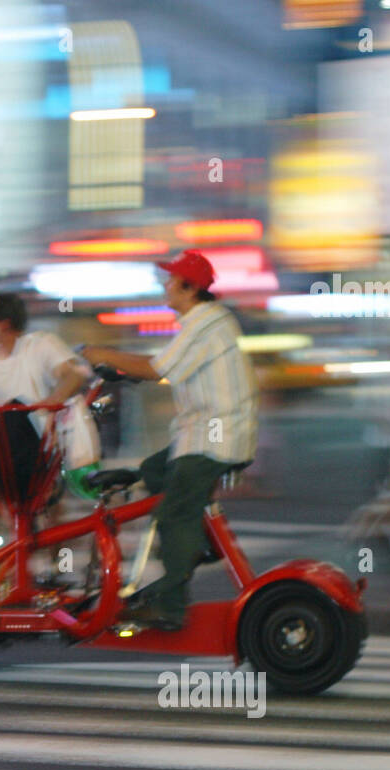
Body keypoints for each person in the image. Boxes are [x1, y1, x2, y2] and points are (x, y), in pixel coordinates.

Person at [82, 249, 258, 630]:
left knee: (173, 512)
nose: (165, 285)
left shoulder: (205, 324)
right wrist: (120, 368)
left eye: (171, 280)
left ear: (190, 288)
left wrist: (97, 352)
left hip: (215, 438)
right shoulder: (204, 323)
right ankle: (197, 541)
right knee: (150, 471)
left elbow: (155, 367)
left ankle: (171, 605)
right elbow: (162, 368)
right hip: (202, 435)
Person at [0, 292, 90, 538]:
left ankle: (51, 557)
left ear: (4, 323)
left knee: (42, 480)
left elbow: (72, 374)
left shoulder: (41, 345)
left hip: (39, 439)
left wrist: (49, 401)